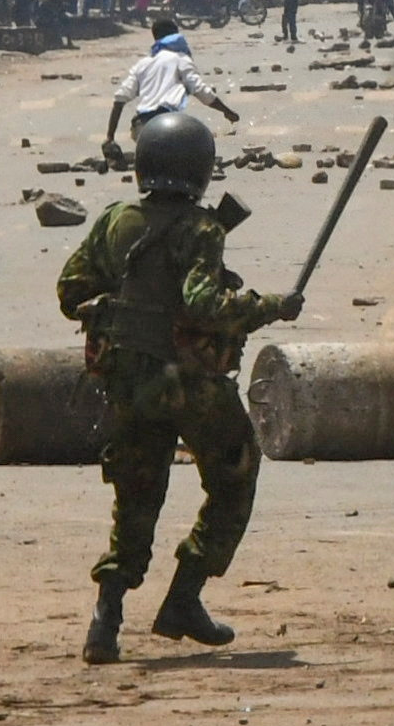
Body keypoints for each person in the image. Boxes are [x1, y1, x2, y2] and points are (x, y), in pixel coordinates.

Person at [57, 110, 300, 663]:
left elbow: (71, 291)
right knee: (235, 473)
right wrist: (270, 307)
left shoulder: (116, 220)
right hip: (188, 382)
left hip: (127, 379)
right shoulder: (201, 229)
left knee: (136, 498)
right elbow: (203, 305)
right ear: (201, 170)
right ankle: (184, 597)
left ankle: (106, 621)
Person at [103, 19, 240, 161]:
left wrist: (110, 137)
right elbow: (201, 91)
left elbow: (119, 99)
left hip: (141, 130)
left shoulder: (143, 64)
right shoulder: (181, 59)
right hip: (170, 127)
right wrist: (227, 111)